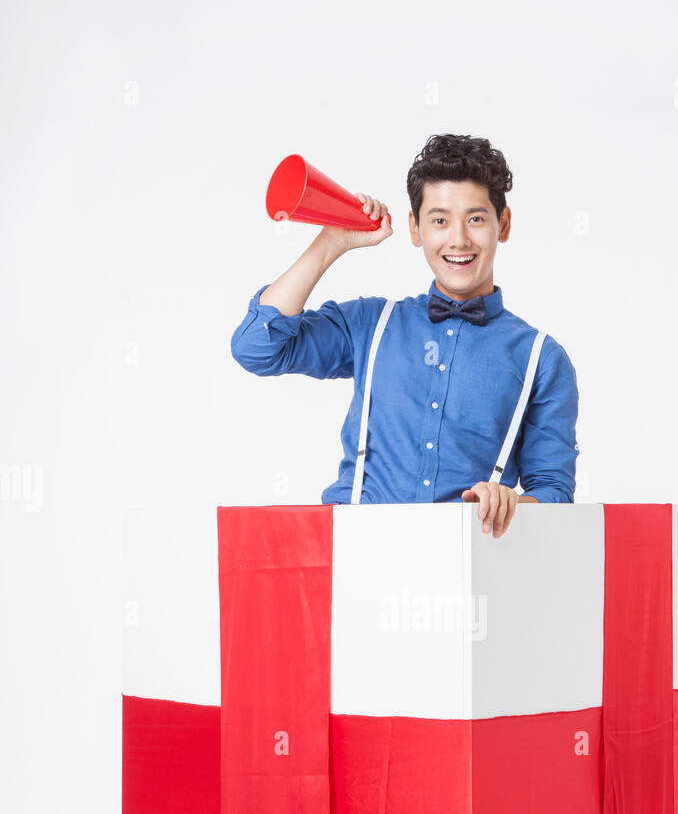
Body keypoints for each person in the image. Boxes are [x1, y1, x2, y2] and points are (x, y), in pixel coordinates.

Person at [230, 133, 579, 539]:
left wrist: (509, 502)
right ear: (415, 229)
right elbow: (256, 348)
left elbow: (554, 492)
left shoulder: (542, 358)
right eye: (439, 220)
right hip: (351, 554)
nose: (459, 239)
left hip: (464, 564)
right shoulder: (371, 323)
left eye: (476, 218)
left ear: (503, 224)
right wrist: (332, 242)